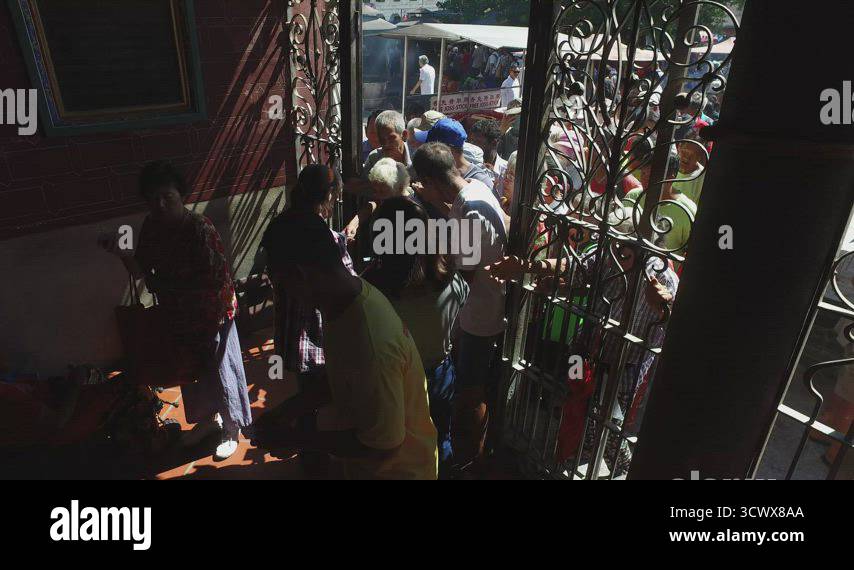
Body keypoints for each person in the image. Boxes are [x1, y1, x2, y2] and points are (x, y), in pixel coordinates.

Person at [251, 211, 438, 480]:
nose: (284, 295)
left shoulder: (370, 341)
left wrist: (297, 438)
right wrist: (289, 410)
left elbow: (382, 447)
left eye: (281, 285)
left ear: (301, 276)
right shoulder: (343, 302)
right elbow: (343, 378)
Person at [100, 161, 252, 460]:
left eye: (167, 197)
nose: (160, 205)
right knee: (191, 371)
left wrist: (173, 286)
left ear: (180, 195)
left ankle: (232, 427)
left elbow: (216, 278)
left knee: (221, 370)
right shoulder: (152, 227)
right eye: (153, 199)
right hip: (179, 313)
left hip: (212, 311)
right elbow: (141, 270)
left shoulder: (199, 228)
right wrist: (119, 252)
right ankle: (208, 421)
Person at [412, 142, 507, 472]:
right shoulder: (475, 189)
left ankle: (474, 459)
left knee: (470, 391)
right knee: (467, 387)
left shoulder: (469, 208)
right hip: (476, 309)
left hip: (478, 315)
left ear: (430, 179)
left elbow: (457, 272)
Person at [260, 165, 356, 474]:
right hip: (317, 331)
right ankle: (317, 452)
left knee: (305, 393)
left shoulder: (278, 226)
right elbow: (349, 284)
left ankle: (306, 453)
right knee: (323, 397)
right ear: (328, 196)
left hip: (291, 327)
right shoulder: (325, 237)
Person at [364, 197, 469, 473]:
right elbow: (457, 325)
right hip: (439, 374)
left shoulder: (373, 291)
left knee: (395, 453)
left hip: (393, 381)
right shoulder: (450, 277)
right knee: (439, 440)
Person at [414, 117, 495, 195]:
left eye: (430, 145)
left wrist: (433, 199)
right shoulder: (435, 172)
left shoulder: (482, 182)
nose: (425, 148)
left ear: (447, 149)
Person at [469, 118, 508, 184]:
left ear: (494, 143)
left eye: (477, 142)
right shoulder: (468, 168)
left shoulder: (506, 171)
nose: (472, 145)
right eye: (471, 141)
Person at [674, 131, 708, 205]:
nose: (686, 158)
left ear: (699, 157)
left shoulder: (703, 178)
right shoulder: (669, 164)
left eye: (693, 155)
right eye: (685, 152)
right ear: (679, 147)